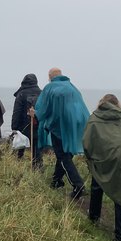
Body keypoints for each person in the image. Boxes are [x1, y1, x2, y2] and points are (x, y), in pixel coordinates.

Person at [83, 94, 121, 241]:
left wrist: (90, 158)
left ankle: (94, 218)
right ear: (117, 105)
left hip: (107, 155)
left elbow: (87, 141)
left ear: (101, 104)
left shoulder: (94, 118)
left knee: (97, 184)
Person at [33, 68, 89, 199]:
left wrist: (34, 114)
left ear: (50, 77)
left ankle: (78, 184)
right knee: (66, 154)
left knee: (63, 155)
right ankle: (56, 181)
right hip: (78, 124)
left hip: (60, 125)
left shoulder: (50, 87)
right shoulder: (72, 87)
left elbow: (43, 109)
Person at [11, 73, 45, 169]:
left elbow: (16, 112)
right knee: (36, 148)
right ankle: (37, 169)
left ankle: (16, 168)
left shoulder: (21, 94)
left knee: (20, 147)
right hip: (38, 125)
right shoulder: (41, 93)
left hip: (23, 127)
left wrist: (14, 128)